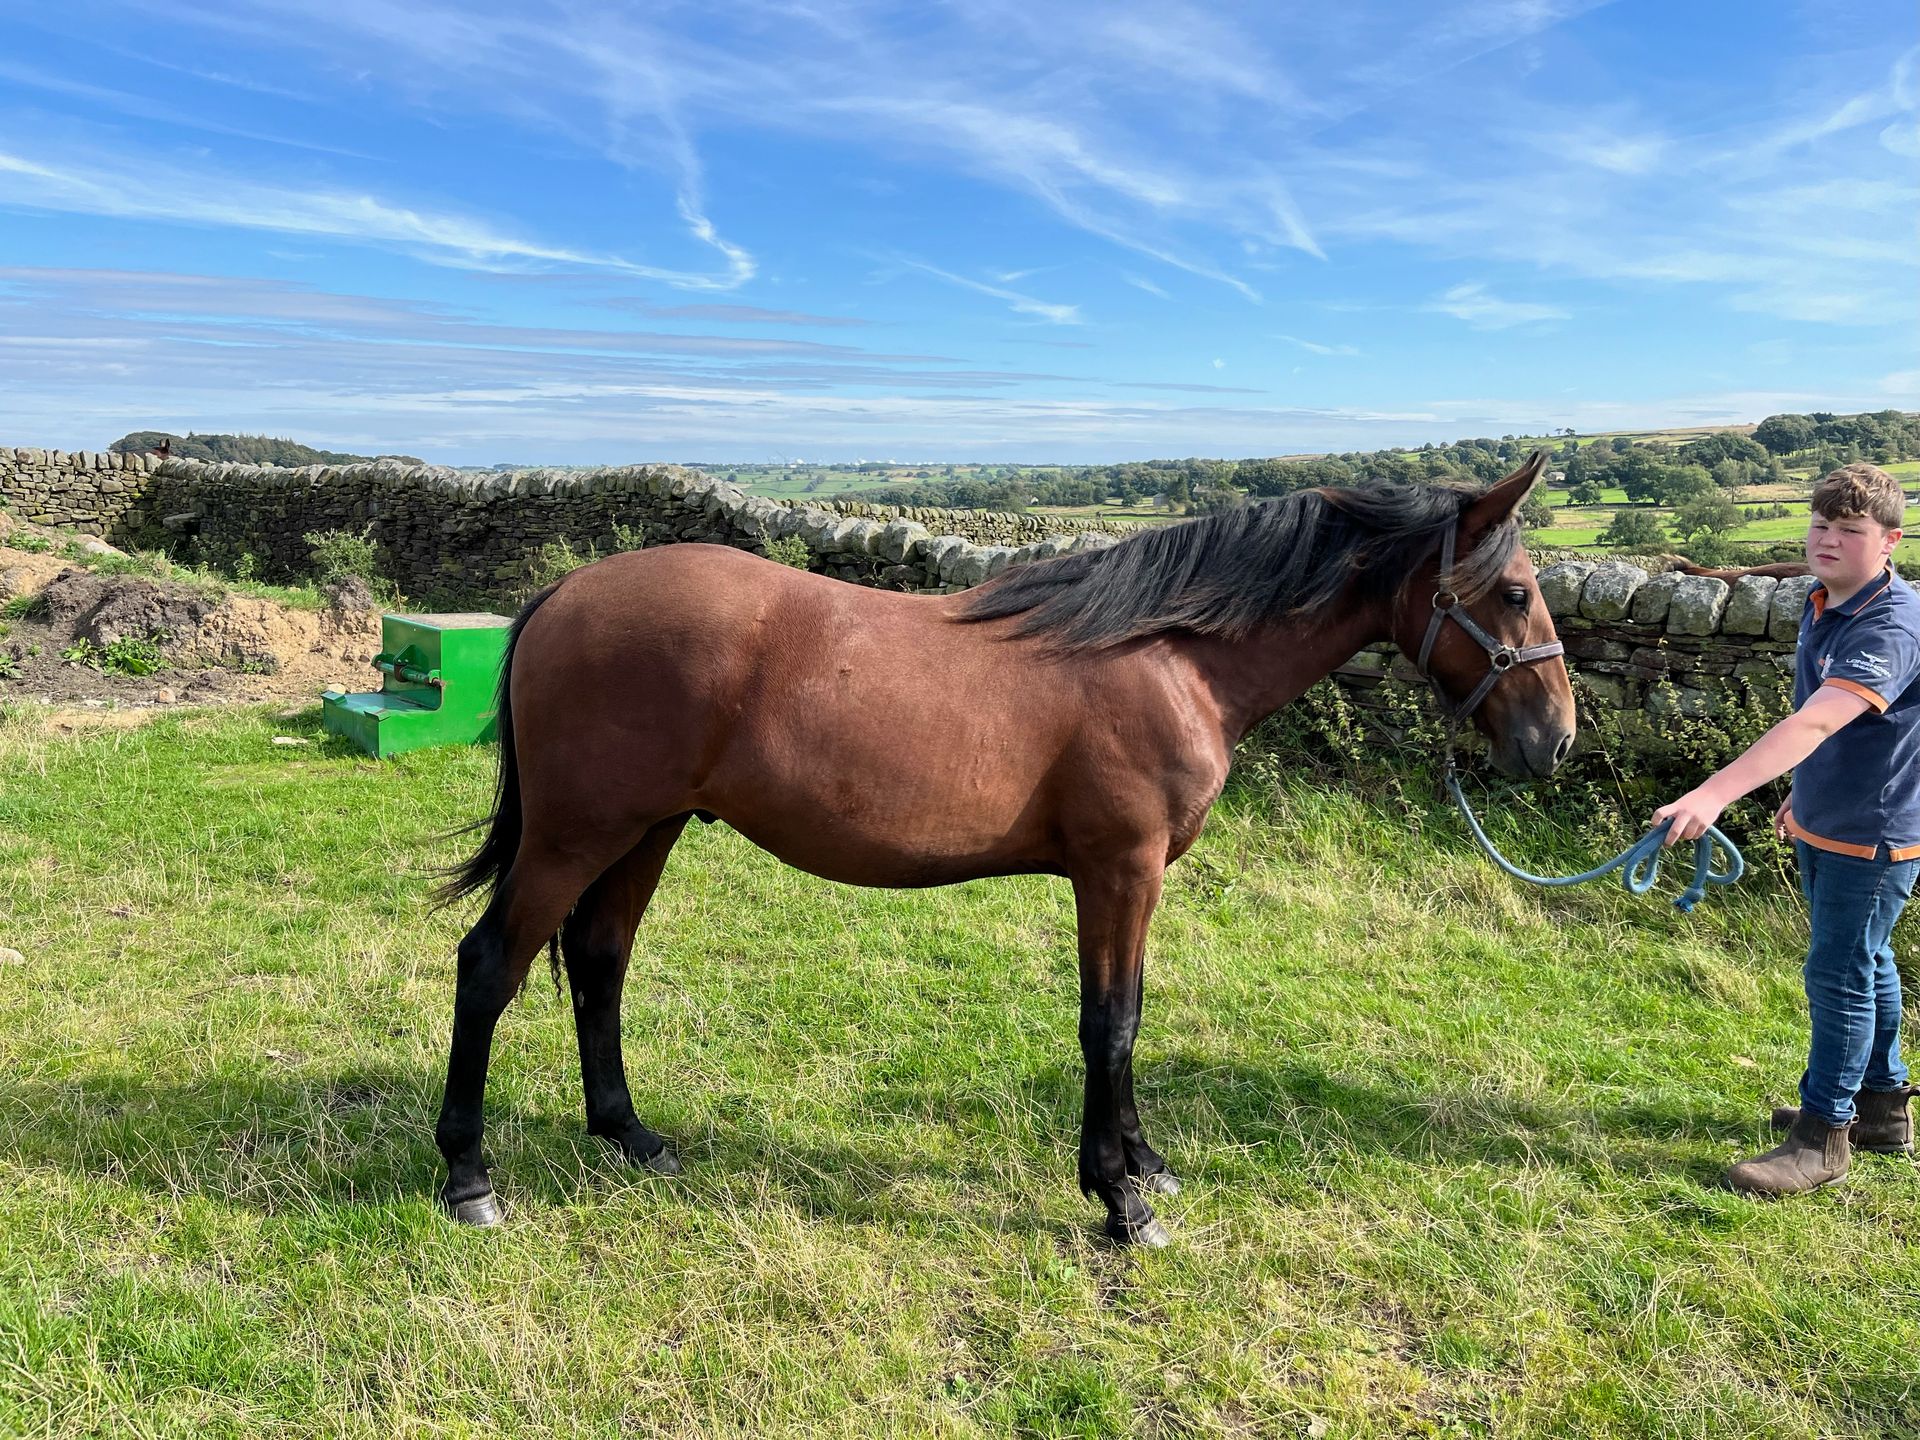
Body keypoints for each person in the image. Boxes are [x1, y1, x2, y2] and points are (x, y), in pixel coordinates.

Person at [1653, 462, 1919, 1196]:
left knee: (1838, 973)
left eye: (1850, 531)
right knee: (1868, 960)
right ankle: (1882, 1109)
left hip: (1873, 834)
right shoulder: (1828, 600)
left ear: (1889, 542)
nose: (1828, 541)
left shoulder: (1889, 626)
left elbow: (1821, 717)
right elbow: (1835, 737)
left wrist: (1714, 792)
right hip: (1830, 818)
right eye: (1820, 526)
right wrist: (1802, 797)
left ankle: (1823, 1135)